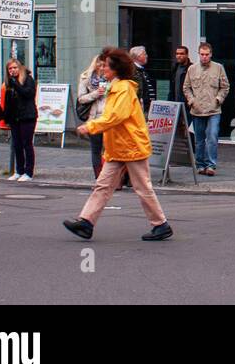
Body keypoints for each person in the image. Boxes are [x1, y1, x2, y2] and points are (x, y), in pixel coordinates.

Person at [63, 47, 172, 242]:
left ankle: (161, 224)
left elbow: (115, 117)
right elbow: (112, 117)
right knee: (102, 186)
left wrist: (91, 126)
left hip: (131, 147)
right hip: (118, 147)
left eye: (106, 66)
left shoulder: (123, 89)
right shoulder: (116, 88)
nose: (102, 68)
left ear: (116, 69)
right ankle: (86, 222)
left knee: (142, 188)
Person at [183, 42, 229, 176]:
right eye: (202, 54)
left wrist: (218, 99)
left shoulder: (218, 67)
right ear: (198, 54)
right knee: (199, 139)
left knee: (213, 136)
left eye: (206, 54)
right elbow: (186, 87)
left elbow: (225, 86)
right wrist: (191, 100)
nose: (204, 57)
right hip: (197, 109)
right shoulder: (192, 69)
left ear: (211, 54)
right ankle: (200, 164)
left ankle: (211, 165)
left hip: (214, 109)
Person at [3, 60, 38, 181]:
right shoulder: (9, 83)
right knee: (16, 144)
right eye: (10, 69)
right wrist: (6, 117)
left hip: (27, 116)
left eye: (15, 68)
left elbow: (28, 94)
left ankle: (28, 172)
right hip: (15, 117)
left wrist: (16, 84)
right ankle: (19, 170)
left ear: (20, 68)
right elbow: (8, 101)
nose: (13, 70)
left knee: (26, 143)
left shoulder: (27, 79)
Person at [76, 53, 109, 178]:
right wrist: (96, 94)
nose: (101, 68)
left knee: (109, 150)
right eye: (99, 65)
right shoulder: (86, 78)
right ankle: (98, 177)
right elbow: (81, 99)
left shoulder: (112, 78)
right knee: (96, 148)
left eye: (104, 65)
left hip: (108, 118)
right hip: (93, 118)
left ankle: (108, 177)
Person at [130, 46, 155, 117]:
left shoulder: (141, 70)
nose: (146, 56)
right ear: (138, 57)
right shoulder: (133, 71)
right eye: (144, 54)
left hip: (146, 106)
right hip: (140, 107)